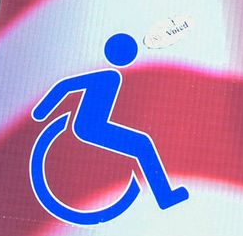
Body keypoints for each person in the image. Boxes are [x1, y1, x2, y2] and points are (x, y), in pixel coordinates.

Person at [30, 33, 191, 209]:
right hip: (90, 128)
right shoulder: (107, 77)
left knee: (142, 143)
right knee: (142, 144)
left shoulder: (111, 76)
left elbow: (65, 86)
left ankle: (165, 195)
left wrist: (42, 113)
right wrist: (41, 112)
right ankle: (165, 196)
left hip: (95, 126)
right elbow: (65, 86)